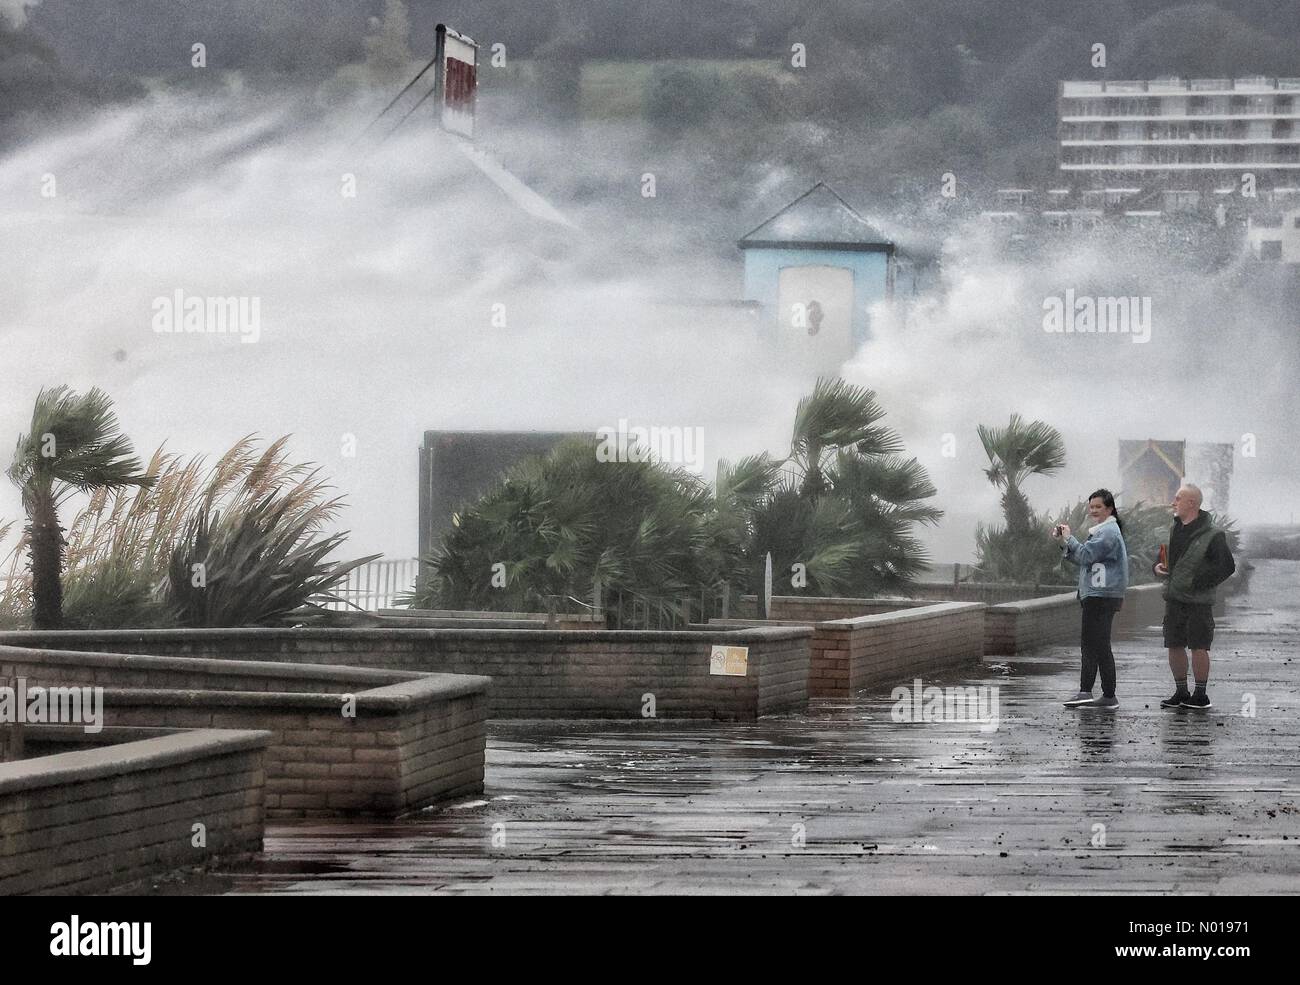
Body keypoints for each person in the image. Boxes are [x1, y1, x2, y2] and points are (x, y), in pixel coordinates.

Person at [1154, 484, 1235, 710]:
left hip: (1198, 603)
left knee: (1199, 646)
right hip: (1174, 599)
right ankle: (1181, 692)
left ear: (1192, 503)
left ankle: (1200, 695)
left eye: (1178, 498)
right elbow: (1163, 558)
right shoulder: (1173, 530)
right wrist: (1157, 567)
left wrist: (1197, 583)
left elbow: (1227, 566)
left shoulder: (1213, 534)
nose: (1173, 502)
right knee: (1174, 644)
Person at [1054, 489, 1129, 709]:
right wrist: (1063, 542)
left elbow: (1086, 555)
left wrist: (1069, 537)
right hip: (1099, 595)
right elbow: (1083, 556)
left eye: (1098, 507)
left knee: (1093, 645)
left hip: (1101, 596)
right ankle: (1106, 695)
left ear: (1109, 508)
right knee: (1098, 645)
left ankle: (1088, 692)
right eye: (1092, 507)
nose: (1093, 511)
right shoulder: (1105, 531)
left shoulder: (1108, 533)